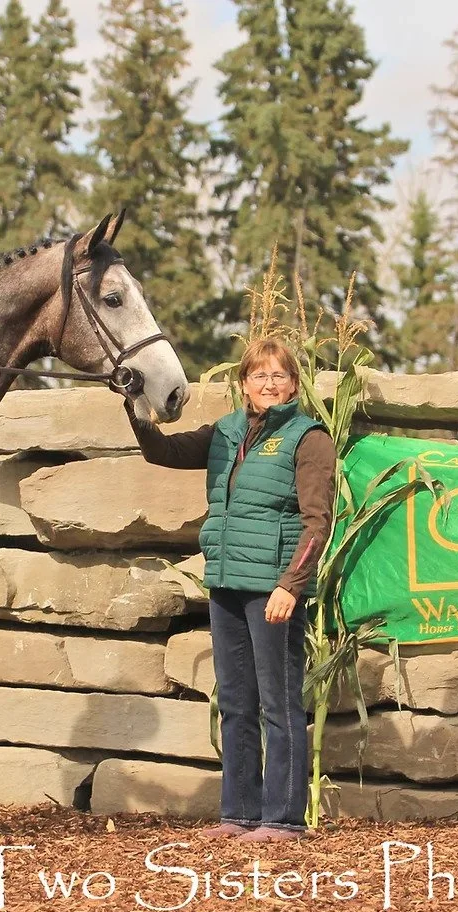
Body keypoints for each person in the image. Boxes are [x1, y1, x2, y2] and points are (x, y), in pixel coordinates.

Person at [126, 338, 335, 842]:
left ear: (294, 384)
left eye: (280, 376)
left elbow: (318, 523)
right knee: (237, 701)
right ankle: (238, 813)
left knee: (278, 703)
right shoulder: (226, 431)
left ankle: (283, 819)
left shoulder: (310, 439)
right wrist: (135, 407)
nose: (269, 384)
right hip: (225, 581)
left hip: (272, 590)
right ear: (244, 383)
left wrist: (291, 586)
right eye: (259, 376)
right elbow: (163, 451)